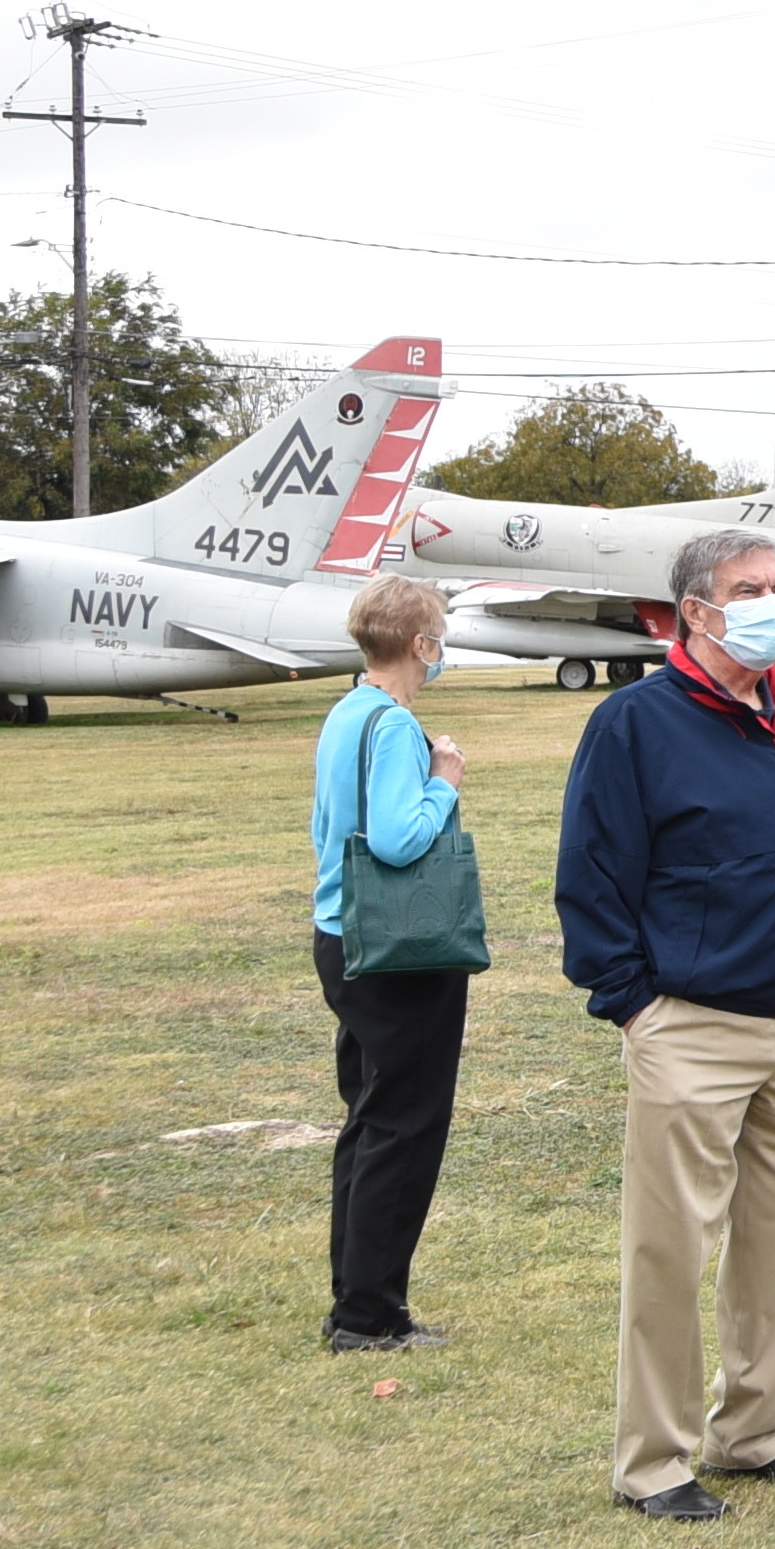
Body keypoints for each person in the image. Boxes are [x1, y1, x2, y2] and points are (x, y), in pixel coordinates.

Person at [557, 528, 775, 1521]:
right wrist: (637, 1003)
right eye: (749, 589)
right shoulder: (635, 723)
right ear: (696, 609)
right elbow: (592, 876)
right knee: (669, 1248)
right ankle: (654, 1460)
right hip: (694, 1021)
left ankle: (755, 1428)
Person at [307, 574, 471, 1353]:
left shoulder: (346, 712)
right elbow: (401, 839)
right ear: (419, 643)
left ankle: (357, 1298)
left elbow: (328, 825)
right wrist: (444, 783)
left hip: (341, 935)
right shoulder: (397, 725)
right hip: (399, 950)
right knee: (405, 1125)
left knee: (369, 1119)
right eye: (437, 633)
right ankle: (371, 1315)